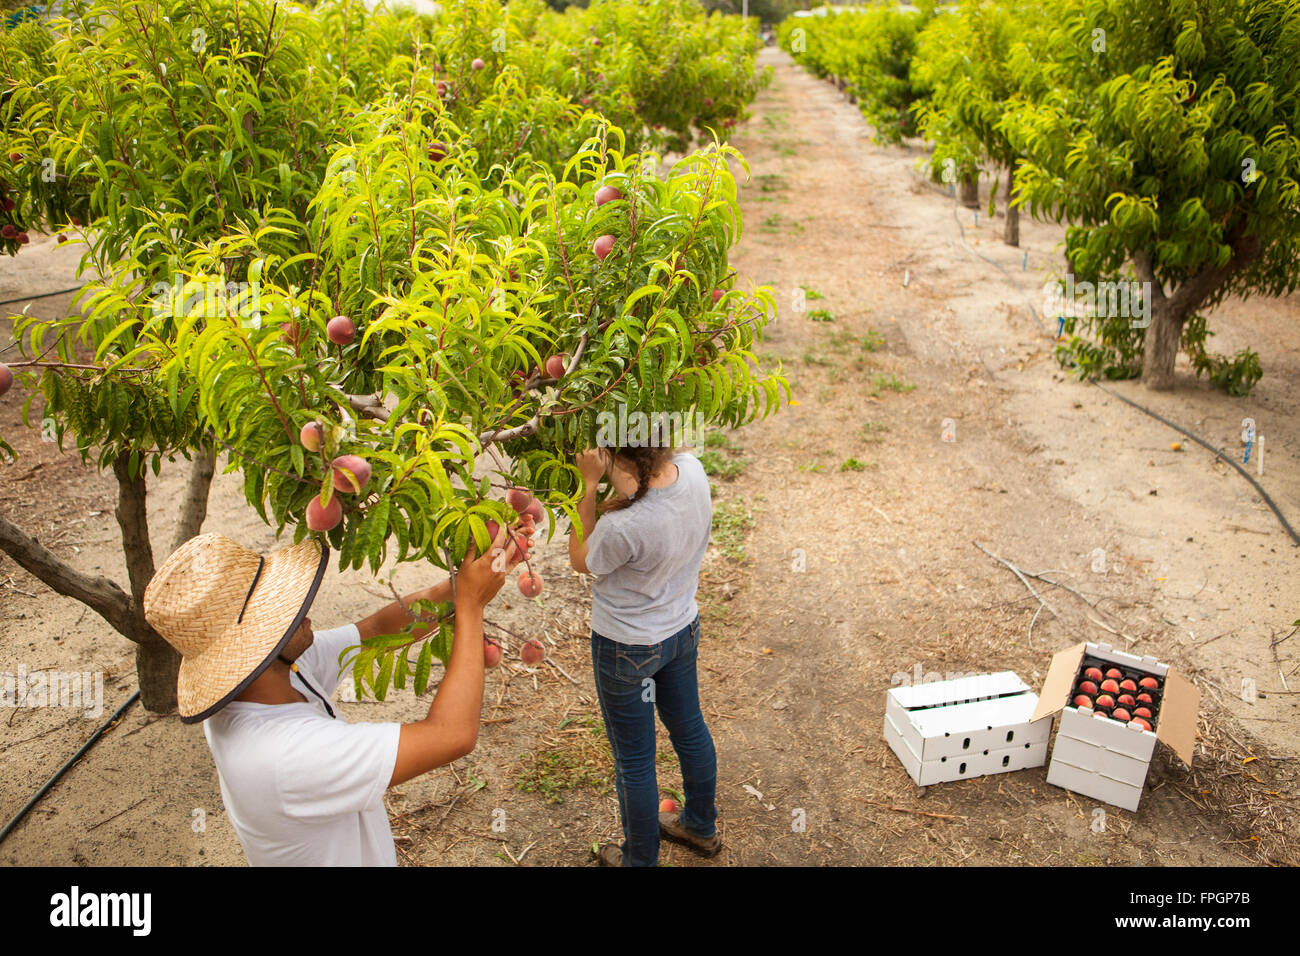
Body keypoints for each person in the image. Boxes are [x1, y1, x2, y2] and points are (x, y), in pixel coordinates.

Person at [142, 526, 521, 866]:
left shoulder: (265, 678)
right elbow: (452, 734)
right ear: (257, 644)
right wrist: (471, 606)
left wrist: (466, 584)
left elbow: (374, 629)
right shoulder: (284, 756)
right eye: (282, 608)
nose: (305, 606)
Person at [569, 441, 722, 866]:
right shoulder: (692, 470)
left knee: (635, 759)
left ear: (615, 456)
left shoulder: (625, 527)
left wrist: (586, 486)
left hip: (627, 648)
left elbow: (582, 559)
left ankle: (640, 861)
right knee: (689, 729)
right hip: (681, 630)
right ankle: (699, 826)